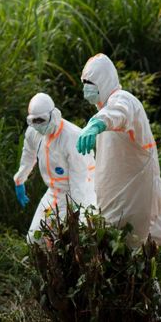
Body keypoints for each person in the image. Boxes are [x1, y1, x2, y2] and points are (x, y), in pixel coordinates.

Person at [75, 53, 161, 245]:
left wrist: (96, 124)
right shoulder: (103, 109)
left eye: (90, 82)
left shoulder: (123, 100)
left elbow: (118, 112)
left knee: (127, 252)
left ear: (104, 81)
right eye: (84, 82)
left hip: (133, 199)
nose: (86, 88)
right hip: (115, 201)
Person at [13, 92, 95, 241]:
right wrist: (19, 180)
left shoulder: (72, 137)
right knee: (34, 240)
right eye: (34, 121)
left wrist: (78, 210)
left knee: (68, 241)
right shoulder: (34, 133)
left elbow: (80, 177)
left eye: (41, 120)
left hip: (79, 192)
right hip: (54, 193)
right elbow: (28, 156)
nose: (39, 125)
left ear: (53, 115)